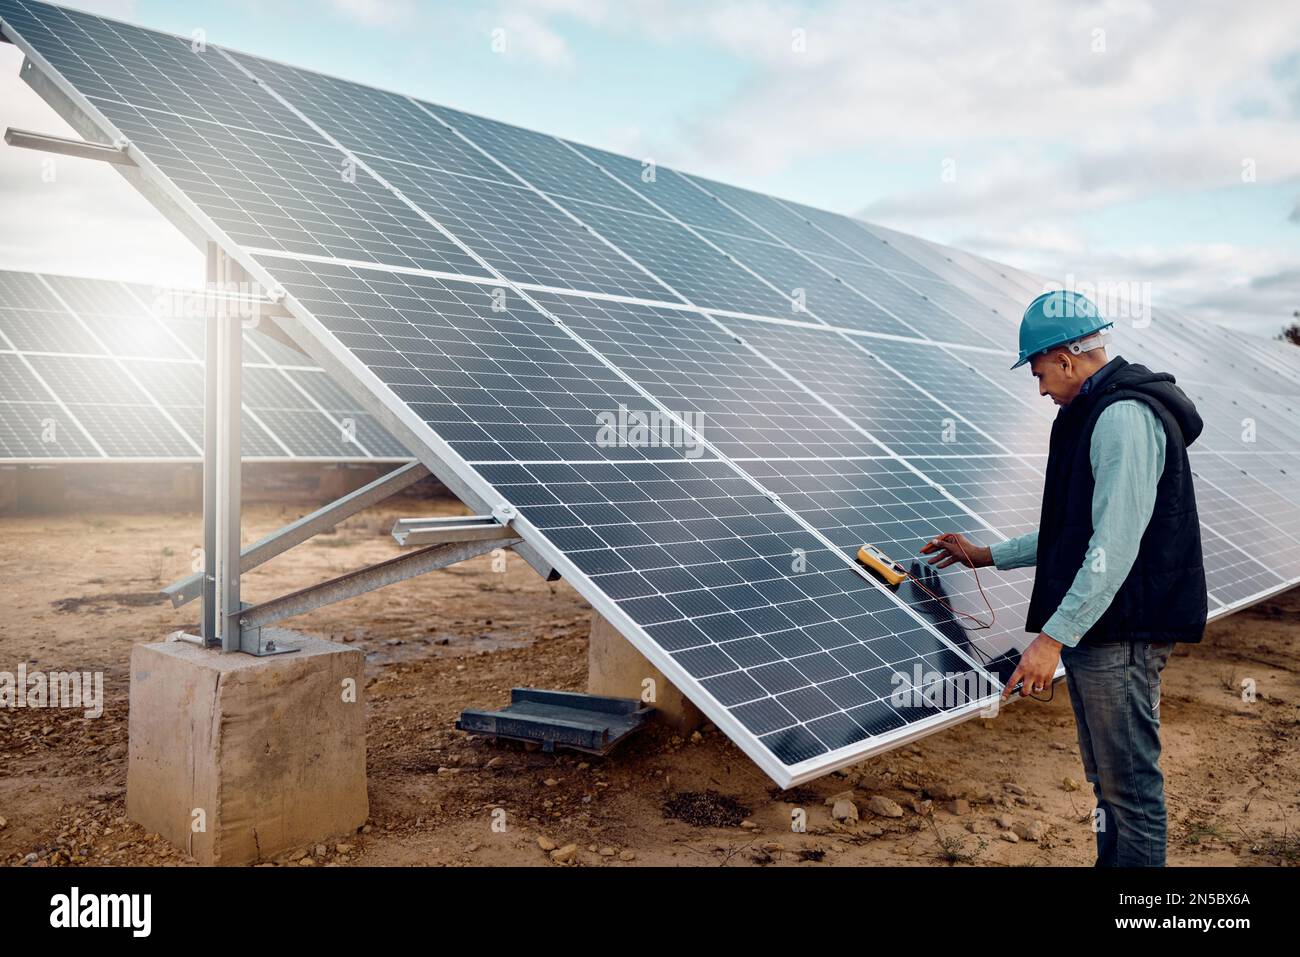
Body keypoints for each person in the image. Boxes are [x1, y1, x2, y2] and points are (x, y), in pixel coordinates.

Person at [919, 289, 1208, 867]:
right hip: (1106, 629)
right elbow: (1074, 531)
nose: (1041, 387)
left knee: (1130, 791)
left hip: (1121, 632)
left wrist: (1052, 638)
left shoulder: (1123, 417)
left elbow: (1113, 544)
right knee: (1109, 785)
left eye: (1040, 372)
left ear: (1067, 359)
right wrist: (987, 555)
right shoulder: (1095, 413)